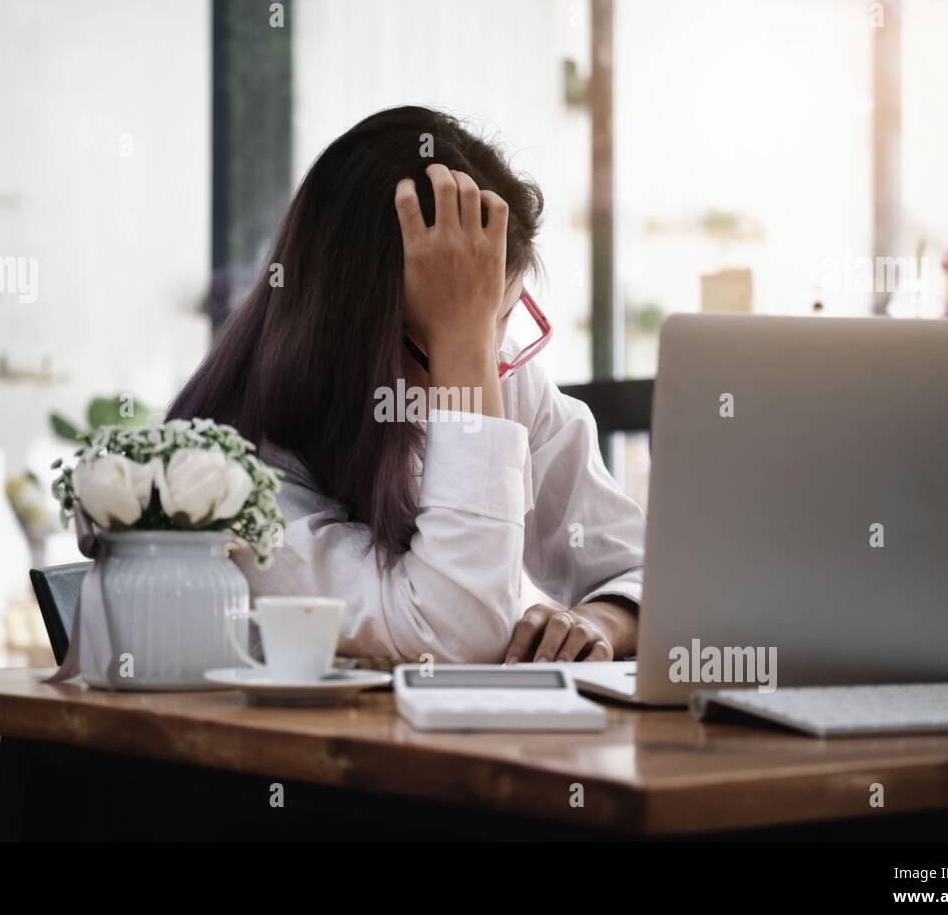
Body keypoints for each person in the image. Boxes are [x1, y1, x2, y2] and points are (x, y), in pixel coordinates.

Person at [170, 106, 644, 664]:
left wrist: (603, 619)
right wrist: (462, 352)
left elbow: (644, 569)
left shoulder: (502, 372)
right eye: (458, 333)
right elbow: (452, 636)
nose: (491, 363)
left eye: (503, 315)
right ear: (352, 331)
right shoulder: (223, 470)